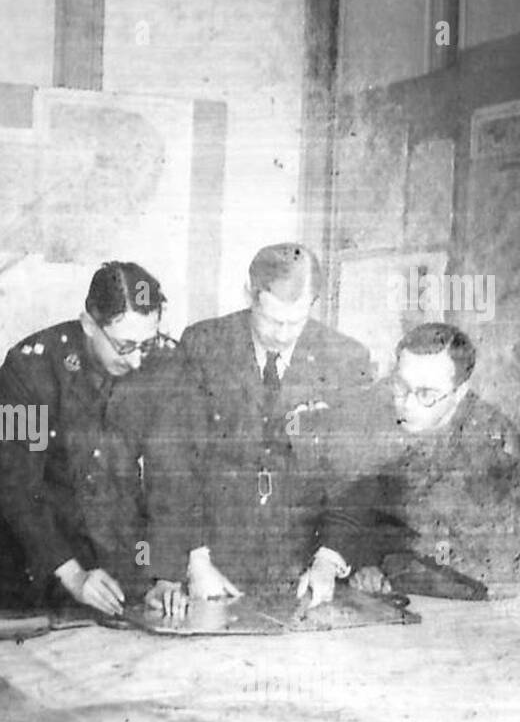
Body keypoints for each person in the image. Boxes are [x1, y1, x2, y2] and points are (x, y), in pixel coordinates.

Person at [143, 243, 373, 613]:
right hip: (216, 561)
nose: (283, 335)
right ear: (250, 295)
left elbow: (355, 475)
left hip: (305, 568)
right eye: (271, 320)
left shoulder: (346, 359)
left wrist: (329, 559)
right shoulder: (203, 346)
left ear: (313, 303)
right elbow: (173, 463)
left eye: (295, 322)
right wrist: (195, 559)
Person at [0, 261, 172, 615]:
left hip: (107, 546)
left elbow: (170, 478)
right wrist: (73, 575)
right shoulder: (28, 368)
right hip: (26, 552)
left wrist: (162, 575)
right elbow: (18, 487)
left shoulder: (164, 363)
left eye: (146, 344)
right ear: (89, 323)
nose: (137, 361)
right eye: (125, 346)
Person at [297, 323, 520, 605]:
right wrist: (329, 559)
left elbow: (488, 563)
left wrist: (387, 569)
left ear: (459, 394)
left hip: (464, 601)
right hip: (393, 590)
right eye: (401, 386)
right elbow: (353, 495)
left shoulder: (495, 446)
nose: (406, 404)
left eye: (426, 394)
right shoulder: (380, 404)